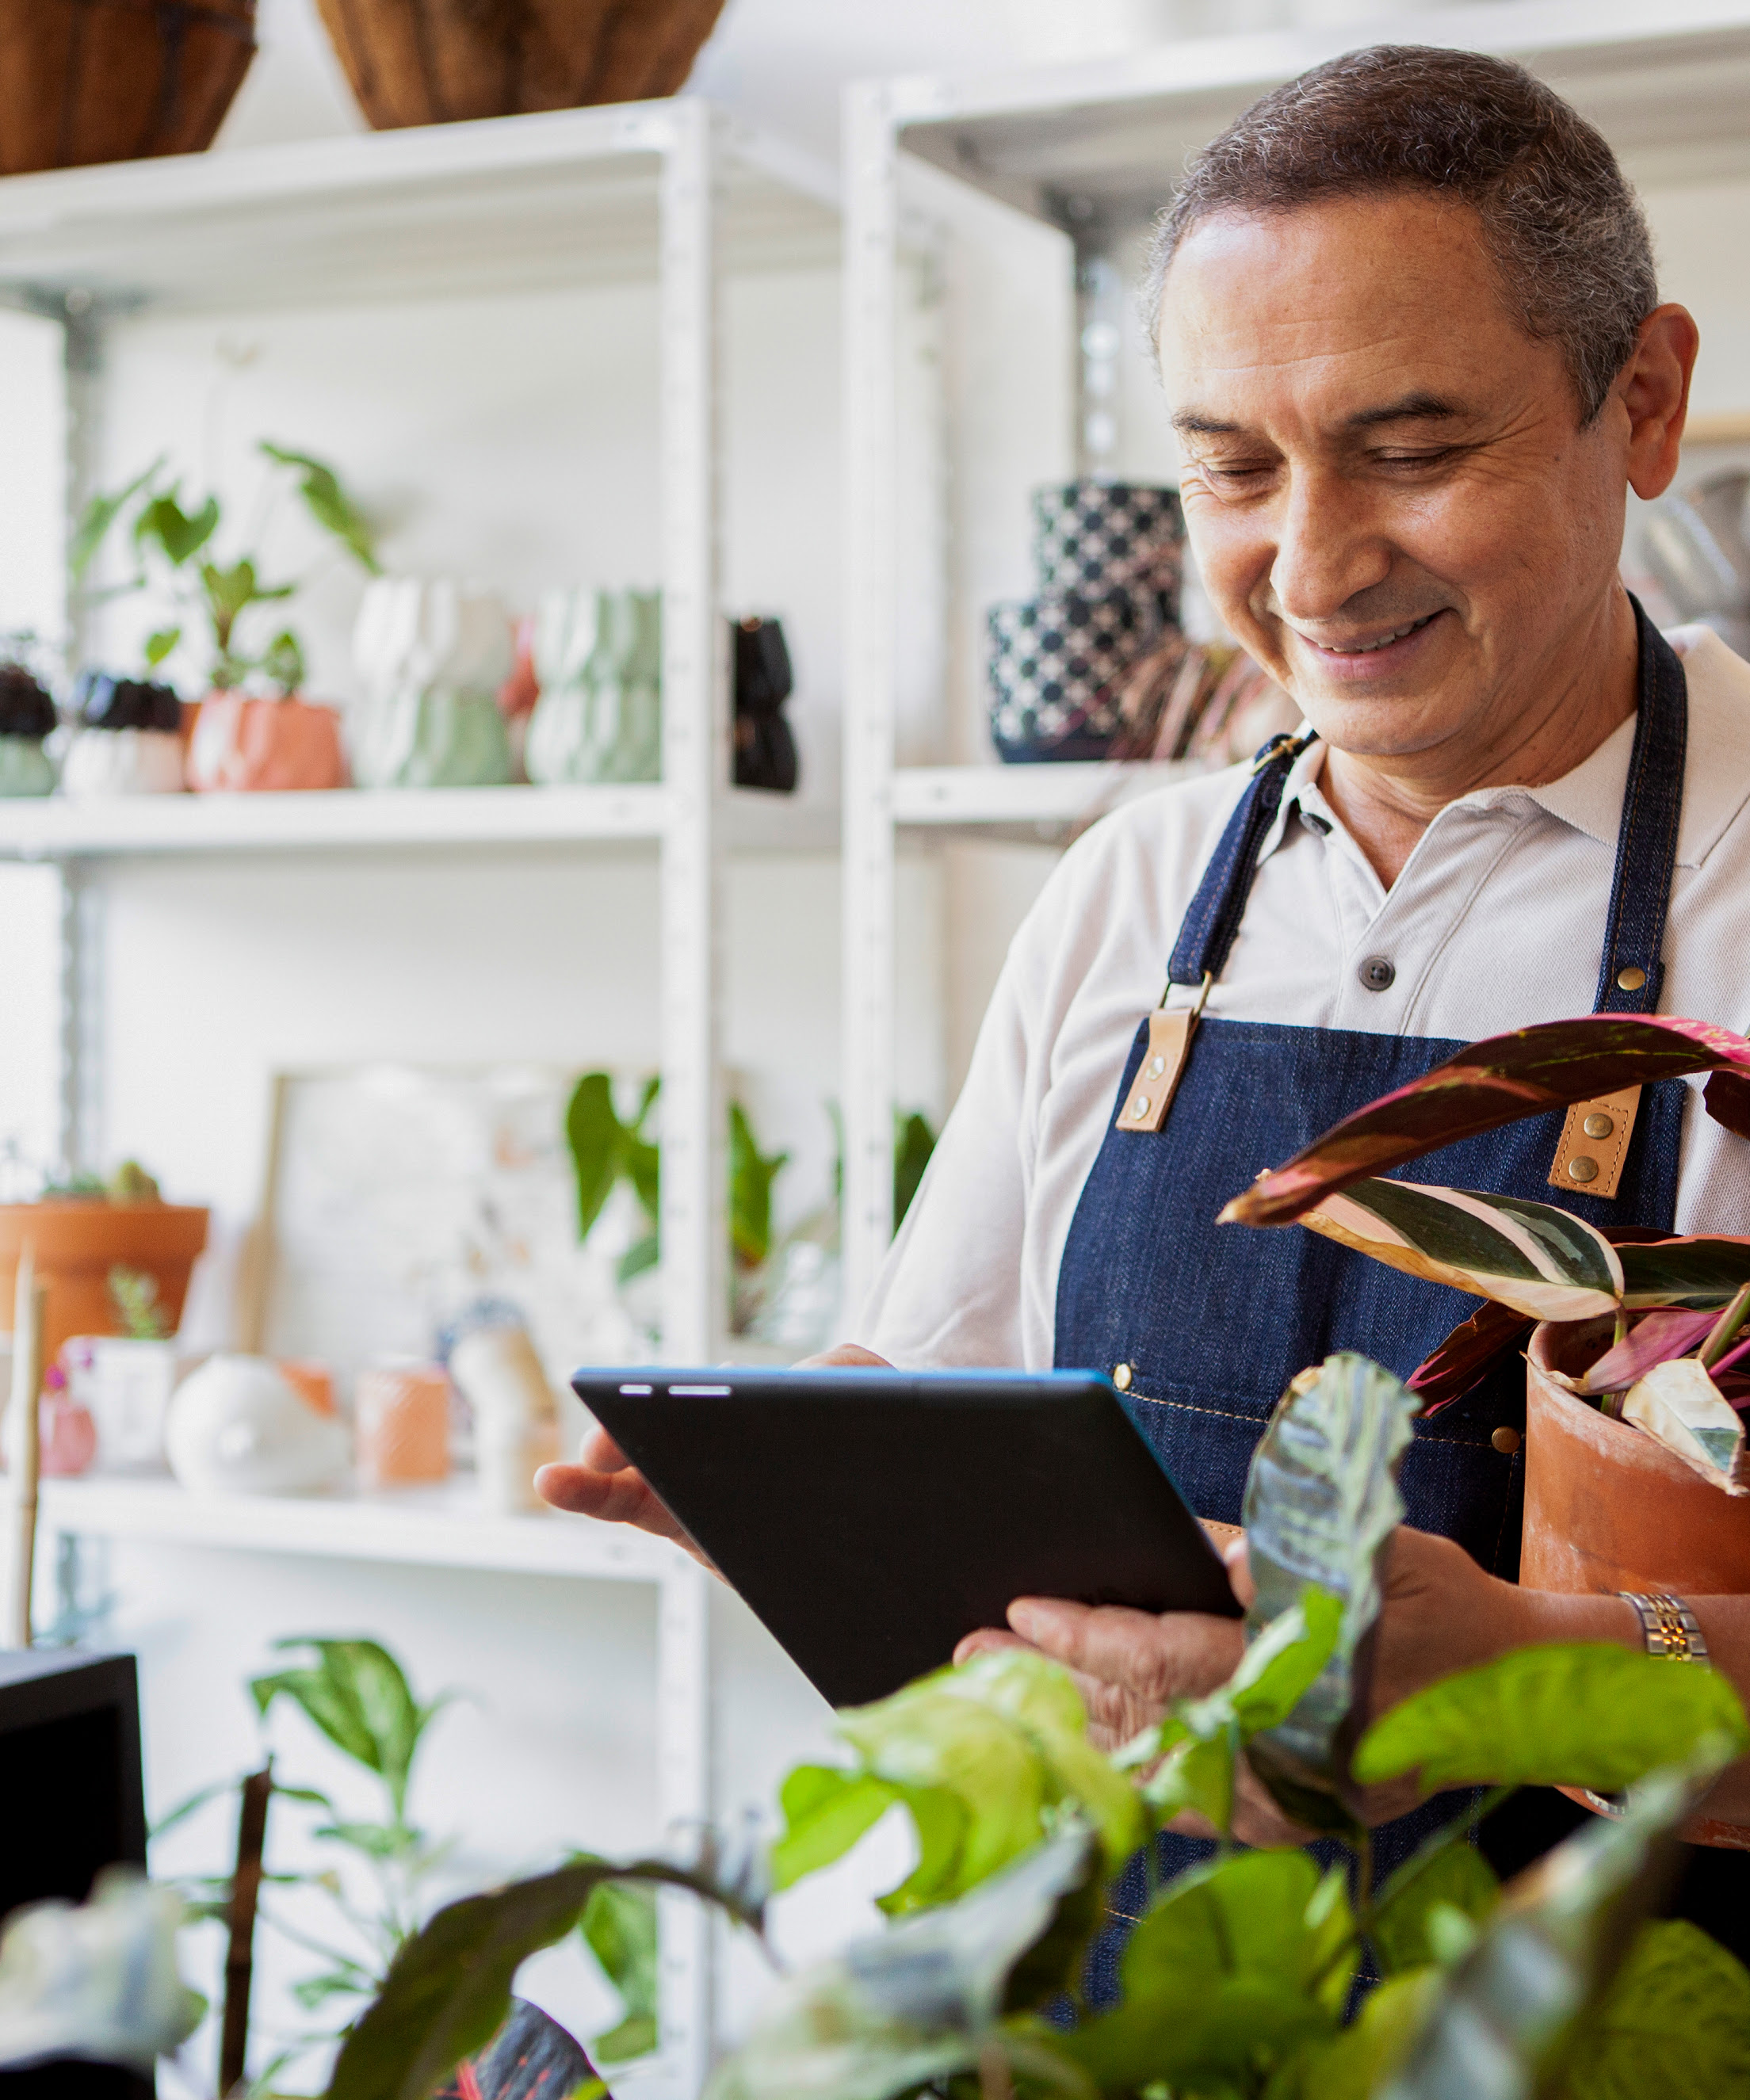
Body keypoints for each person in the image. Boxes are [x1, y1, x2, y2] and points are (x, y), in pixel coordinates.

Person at [540, 45, 1750, 1977]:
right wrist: (837, 1510)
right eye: (1233, 468)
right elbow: (943, 1418)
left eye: (1416, 448)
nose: (1315, 561)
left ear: (1647, 399)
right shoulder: (1126, 893)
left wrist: (1525, 1659)